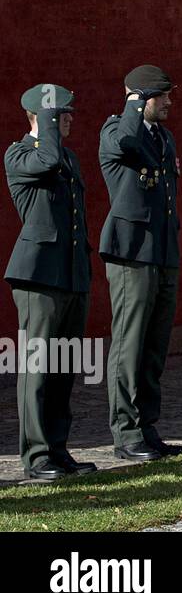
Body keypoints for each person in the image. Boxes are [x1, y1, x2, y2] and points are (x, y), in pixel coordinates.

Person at [4, 85, 96, 480]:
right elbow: (47, 158)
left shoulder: (68, 158)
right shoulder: (20, 153)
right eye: (62, 114)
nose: (71, 119)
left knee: (64, 366)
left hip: (70, 273)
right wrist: (47, 126)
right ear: (42, 118)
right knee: (38, 366)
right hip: (38, 275)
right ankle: (36, 455)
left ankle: (57, 449)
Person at [100, 65, 182, 461]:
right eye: (162, 96)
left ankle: (146, 426)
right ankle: (125, 431)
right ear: (142, 98)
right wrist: (133, 101)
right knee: (130, 345)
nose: (169, 101)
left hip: (161, 251)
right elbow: (126, 141)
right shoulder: (118, 130)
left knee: (154, 345)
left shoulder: (162, 137)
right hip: (131, 252)